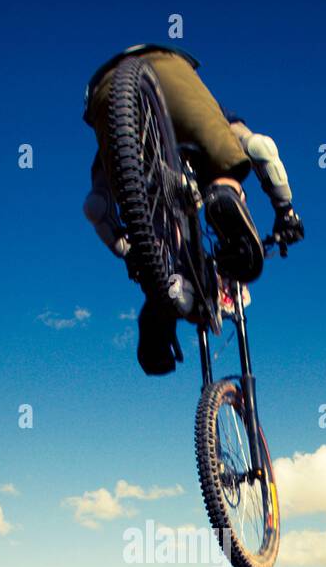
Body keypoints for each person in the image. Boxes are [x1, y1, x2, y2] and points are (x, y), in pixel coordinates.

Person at [82, 44, 304, 374]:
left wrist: (133, 253)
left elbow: (96, 207)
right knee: (224, 160)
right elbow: (261, 148)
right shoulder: (212, 103)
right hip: (172, 68)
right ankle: (223, 194)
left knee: (157, 232)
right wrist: (285, 211)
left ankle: (161, 291)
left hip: (104, 96)